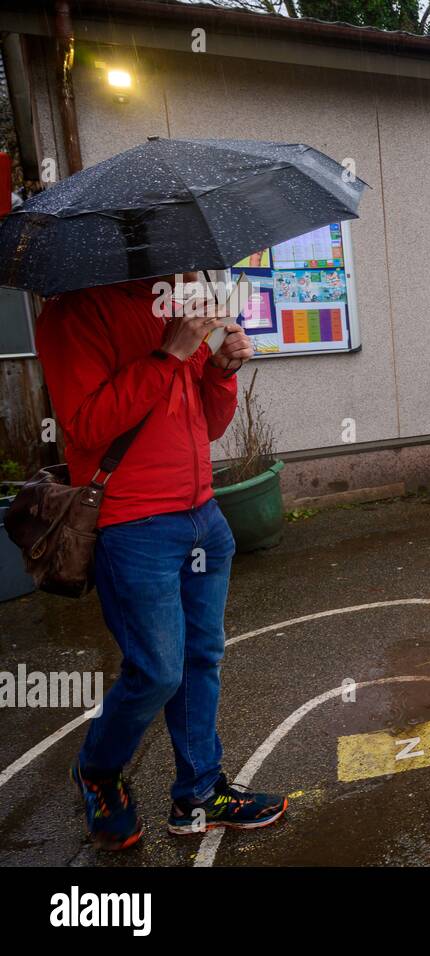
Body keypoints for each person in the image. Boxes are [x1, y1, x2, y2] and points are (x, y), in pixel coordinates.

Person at [35, 274, 287, 850]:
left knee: (202, 656)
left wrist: (219, 372)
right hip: (132, 524)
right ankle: (98, 771)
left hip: (202, 515)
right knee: (157, 670)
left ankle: (199, 791)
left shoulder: (175, 300)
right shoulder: (71, 315)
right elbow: (87, 425)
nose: (191, 273)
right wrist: (167, 354)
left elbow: (208, 423)